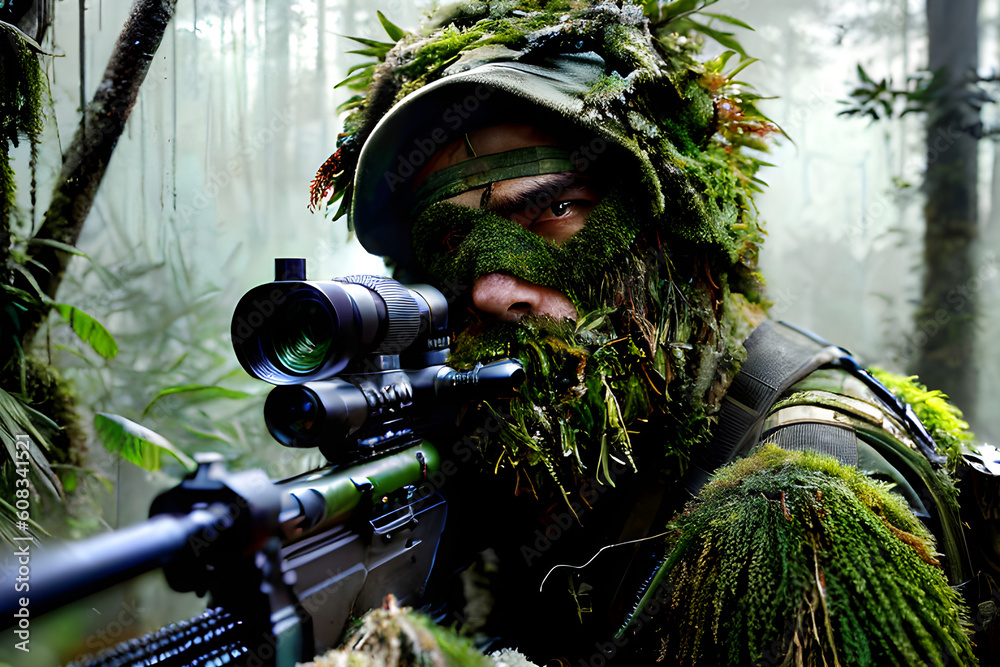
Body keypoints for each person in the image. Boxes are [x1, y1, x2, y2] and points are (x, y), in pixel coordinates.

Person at [309, 2, 989, 664]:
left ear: (675, 234)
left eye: (556, 209)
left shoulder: (799, 508)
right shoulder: (523, 453)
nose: (488, 289)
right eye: (455, 242)